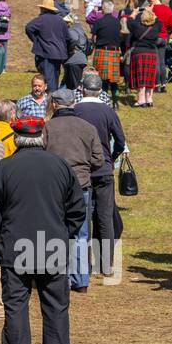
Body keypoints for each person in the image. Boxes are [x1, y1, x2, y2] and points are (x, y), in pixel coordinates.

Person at [0, 116, 85, 344]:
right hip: (50, 247)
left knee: (16, 307)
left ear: (16, 138)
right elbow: (77, 210)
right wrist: (64, 236)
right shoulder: (60, 165)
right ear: (42, 137)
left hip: (15, 248)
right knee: (56, 307)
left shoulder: (4, 168)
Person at [43, 89, 104, 293]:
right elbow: (98, 160)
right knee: (80, 234)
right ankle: (81, 281)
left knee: (55, 231)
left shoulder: (48, 128)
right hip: (82, 184)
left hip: (54, 186)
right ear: (73, 104)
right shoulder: (87, 128)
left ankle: (60, 278)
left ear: (55, 104)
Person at [74, 72, 125, 277]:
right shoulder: (107, 111)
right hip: (103, 168)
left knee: (82, 218)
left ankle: (83, 263)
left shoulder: (75, 110)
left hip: (81, 169)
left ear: (82, 89)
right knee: (105, 217)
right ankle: (106, 265)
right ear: (100, 91)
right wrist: (111, 157)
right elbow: (120, 140)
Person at [25, 0, 67, 93]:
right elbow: (67, 37)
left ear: (43, 9)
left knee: (48, 81)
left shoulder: (41, 19)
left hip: (46, 54)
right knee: (55, 79)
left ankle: (50, 104)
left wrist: (35, 40)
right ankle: (53, 100)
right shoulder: (61, 20)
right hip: (59, 54)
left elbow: (28, 27)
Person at [127, 7, 161, 108]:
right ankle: (149, 99)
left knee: (140, 77)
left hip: (139, 53)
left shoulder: (137, 27)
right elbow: (158, 20)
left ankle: (141, 100)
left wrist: (134, 12)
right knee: (150, 77)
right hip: (151, 53)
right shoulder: (156, 28)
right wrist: (151, 11)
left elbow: (129, 20)